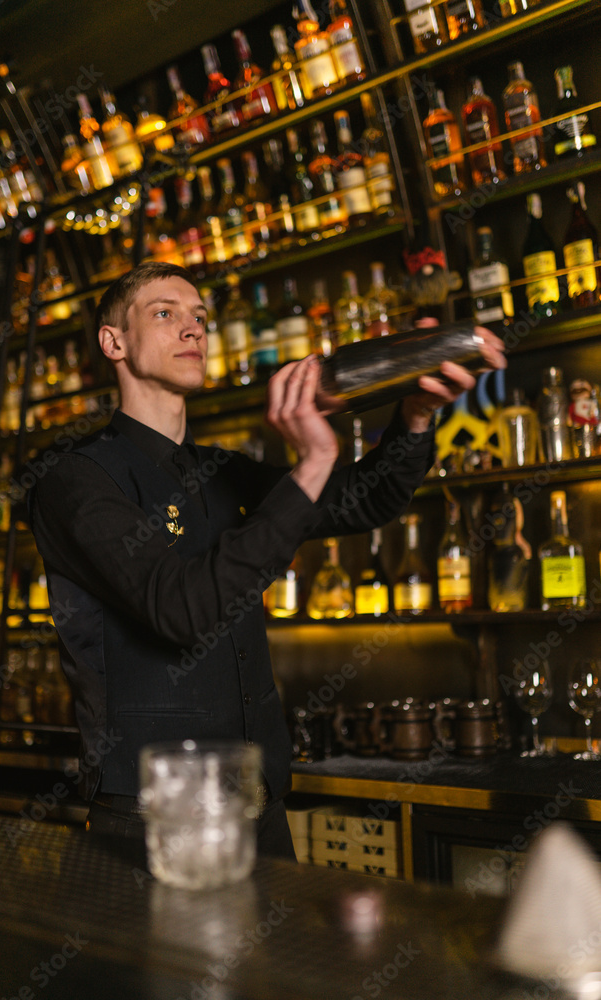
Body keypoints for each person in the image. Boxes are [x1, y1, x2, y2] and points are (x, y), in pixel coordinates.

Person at [29, 261, 505, 857]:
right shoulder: (77, 480)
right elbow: (182, 609)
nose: (192, 329)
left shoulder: (223, 472)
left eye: (200, 317)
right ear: (113, 341)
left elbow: (363, 501)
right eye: (164, 314)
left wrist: (412, 418)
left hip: (259, 801)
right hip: (154, 812)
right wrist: (309, 464)